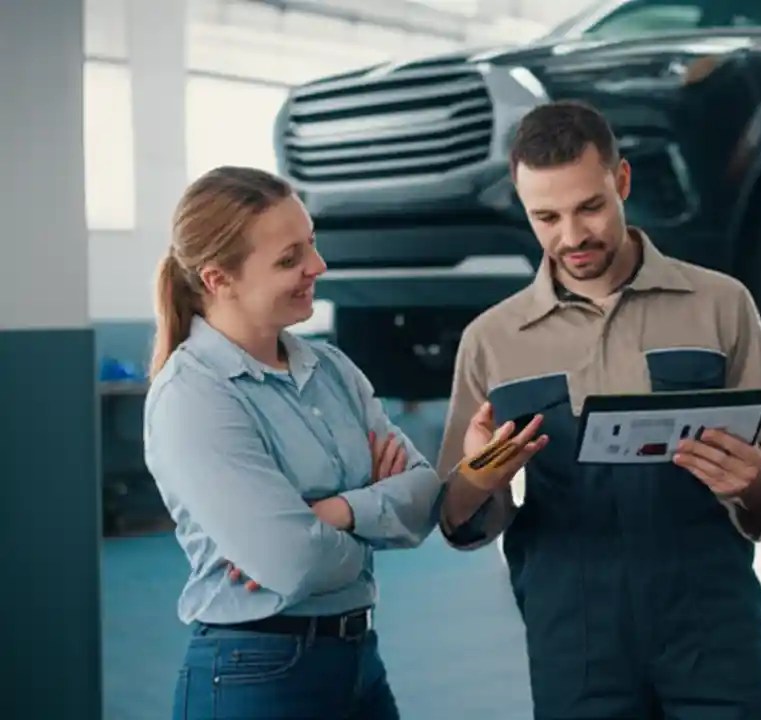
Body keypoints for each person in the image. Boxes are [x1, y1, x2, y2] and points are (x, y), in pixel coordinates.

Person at [435, 101, 761, 718]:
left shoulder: (719, 305)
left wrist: (758, 486)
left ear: (622, 181)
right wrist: (482, 476)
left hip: (711, 618)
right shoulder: (493, 340)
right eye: (546, 217)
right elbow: (453, 513)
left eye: (589, 207)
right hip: (573, 628)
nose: (572, 236)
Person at [143, 165, 544, 719]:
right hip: (252, 674)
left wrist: (328, 513)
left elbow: (424, 494)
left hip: (357, 661)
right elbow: (291, 563)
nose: (318, 266)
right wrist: (369, 515)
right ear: (218, 280)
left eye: (311, 244)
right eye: (290, 259)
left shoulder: (330, 368)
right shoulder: (194, 398)